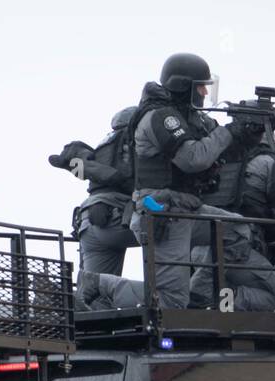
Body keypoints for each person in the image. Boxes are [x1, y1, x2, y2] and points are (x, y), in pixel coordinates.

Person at [90, 52, 251, 310]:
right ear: (183, 85)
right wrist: (229, 131)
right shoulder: (160, 116)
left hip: (187, 209)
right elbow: (193, 159)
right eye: (200, 87)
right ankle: (98, 286)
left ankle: (198, 295)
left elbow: (217, 152)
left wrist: (244, 135)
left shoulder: (187, 117)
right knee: (169, 302)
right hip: (164, 212)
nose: (204, 93)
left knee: (237, 230)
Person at [188, 107, 275, 311]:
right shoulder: (270, 164)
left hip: (197, 254)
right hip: (238, 252)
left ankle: (211, 297)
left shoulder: (214, 160)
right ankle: (218, 299)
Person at [48, 107, 139, 310]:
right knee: (184, 240)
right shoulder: (134, 143)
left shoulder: (103, 146)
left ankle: (69, 307)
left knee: (93, 297)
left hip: (89, 220)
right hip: (120, 218)